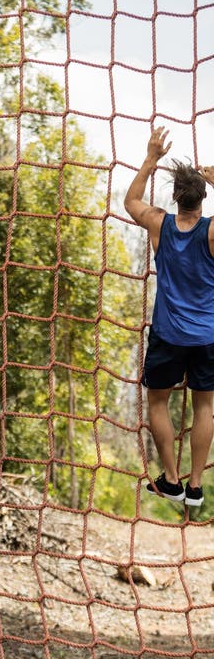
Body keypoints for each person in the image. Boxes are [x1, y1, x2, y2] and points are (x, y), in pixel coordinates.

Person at [124, 126, 214, 507]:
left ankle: (171, 480)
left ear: (175, 197)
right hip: (208, 336)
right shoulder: (211, 232)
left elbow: (131, 202)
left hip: (168, 334)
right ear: (203, 197)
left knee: (158, 402)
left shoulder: (160, 224)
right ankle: (195, 485)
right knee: (205, 406)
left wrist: (149, 159)